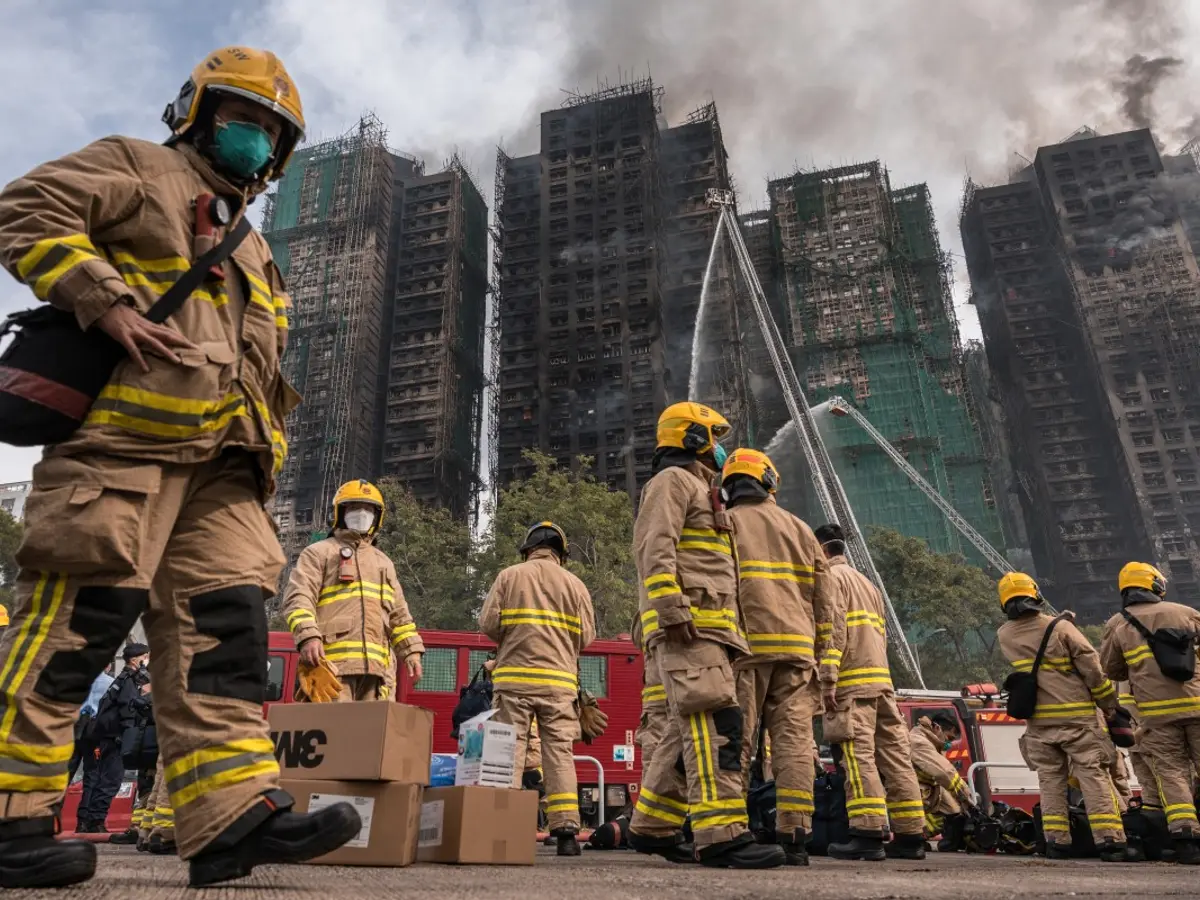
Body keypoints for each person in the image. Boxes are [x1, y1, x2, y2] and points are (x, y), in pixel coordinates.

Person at [0, 45, 362, 889]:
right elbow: (25, 208)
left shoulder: (255, 248)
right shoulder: (140, 167)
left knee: (226, 640)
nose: (255, 139)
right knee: (74, 631)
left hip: (225, 472)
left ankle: (228, 815)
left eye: (272, 131)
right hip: (124, 451)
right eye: (242, 119)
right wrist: (104, 300)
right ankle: (11, 815)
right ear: (197, 114)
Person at [626, 402, 785, 869]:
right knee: (716, 725)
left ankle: (652, 826)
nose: (720, 450)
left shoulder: (701, 489)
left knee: (684, 732)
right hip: (690, 627)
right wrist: (672, 609)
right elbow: (654, 547)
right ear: (692, 437)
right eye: (714, 438)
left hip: (711, 628)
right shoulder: (672, 482)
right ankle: (722, 835)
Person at [721, 448, 827, 866]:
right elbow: (826, 603)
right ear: (769, 481)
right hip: (797, 653)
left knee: (736, 742)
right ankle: (795, 835)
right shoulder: (801, 530)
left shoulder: (723, 524)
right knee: (795, 745)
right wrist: (822, 655)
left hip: (745, 651)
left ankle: (733, 832)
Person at [996, 572, 1136, 862]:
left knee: (1050, 781)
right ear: (1035, 594)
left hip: (1039, 724)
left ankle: (1056, 842)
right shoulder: (1060, 628)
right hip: (1077, 720)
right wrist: (1108, 704)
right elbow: (1092, 668)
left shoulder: (1004, 635)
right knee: (1093, 776)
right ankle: (1110, 840)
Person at [480, 521, 596, 856]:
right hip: (559, 685)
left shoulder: (509, 576)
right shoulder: (575, 585)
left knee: (509, 750)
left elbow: (488, 624)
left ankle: (503, 829)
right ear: (562, 554)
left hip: (514, 682)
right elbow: (586, 638)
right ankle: (567, 834)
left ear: (528, 549)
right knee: (559, 754)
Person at [814, 523, 926, 861]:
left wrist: (828, 678)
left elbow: (833, 630)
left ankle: (867, 833)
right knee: (896, 759)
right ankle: (911, 836)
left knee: (856, 756)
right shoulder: (868, 584)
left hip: (852, 685)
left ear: (822, 549)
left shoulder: (831, 578)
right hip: (882, 684)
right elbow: (882, 637)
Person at [281, 479, 424, 700]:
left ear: (377, 517)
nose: (362, 514)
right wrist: (308, 636)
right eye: (354, 507)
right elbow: (298, 598)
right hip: (332, 667)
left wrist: (411, 650)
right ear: (340, 513)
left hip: (378, 673)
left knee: (374, 724)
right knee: (333, 723)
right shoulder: (318, 553)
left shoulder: (384, 563)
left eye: (368, 509)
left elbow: (399, 615)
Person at [1100, 561, 1200, 864]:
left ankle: (1187, 840)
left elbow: (1111, 669)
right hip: (1197, 706)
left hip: (1156, 716)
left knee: (1172, 773)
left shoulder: (1119, 624)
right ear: (1156, 584)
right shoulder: (1186, 613)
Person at [76, 644, 149, 835]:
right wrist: (129, 734)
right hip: (117, 737)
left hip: (107, 736)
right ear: (135, 660)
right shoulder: (129, 680)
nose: (147, 660)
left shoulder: (121, 679)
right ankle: (96, 821)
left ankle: (90, 820)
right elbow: (128, 709)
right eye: (145, 656)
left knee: (100, 778)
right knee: (111, 780)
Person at [908, 711, 974, 851]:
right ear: (937, 728)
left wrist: (963, 805)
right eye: (949, 738)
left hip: (926, 788)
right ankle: (912, 836)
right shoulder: (919, 742)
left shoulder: (933, 742)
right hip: (911, 791)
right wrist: (968, 797)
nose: (949, 744)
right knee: (950, 808)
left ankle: (946, 837)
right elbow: (944, 772)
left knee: (954, 811)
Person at [69, 665, 115, 788]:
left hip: (74, 726)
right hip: (95, 728)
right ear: (107, 666)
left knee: (68, 767)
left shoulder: (76, 681)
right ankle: (87, 799)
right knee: (92, 770)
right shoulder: (111, 683)